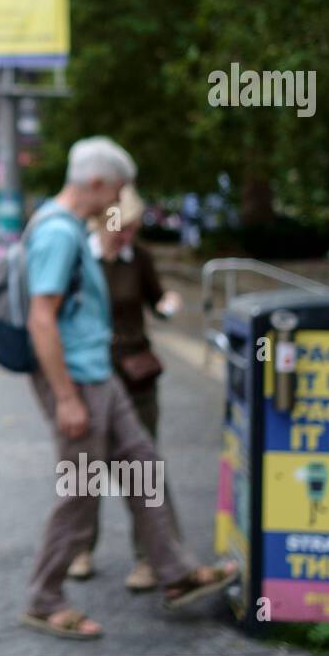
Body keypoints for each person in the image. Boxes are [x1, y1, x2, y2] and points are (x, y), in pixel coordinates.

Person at [20, 137, 236, 640]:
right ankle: (43, 598)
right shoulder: (58, 233)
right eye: (117, 190)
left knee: (144, 465)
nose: (119, 202)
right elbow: (41, 319)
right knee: (79, 492)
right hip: (78, 381)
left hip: (100, 376)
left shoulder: (70, 229)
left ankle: (175, 572)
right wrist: (68, 397)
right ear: (96, 183)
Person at [66, 185, 184, 591]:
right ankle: (79, 548)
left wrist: (168, 303)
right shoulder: (81, 257)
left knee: (142, 470)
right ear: (103, 221)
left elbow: (158, 299)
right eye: (121, 226)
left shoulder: (140, 259)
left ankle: (148, 557)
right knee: (83, 470)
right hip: (93, 375)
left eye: (133, 228)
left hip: (136, 380)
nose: (127, 235)